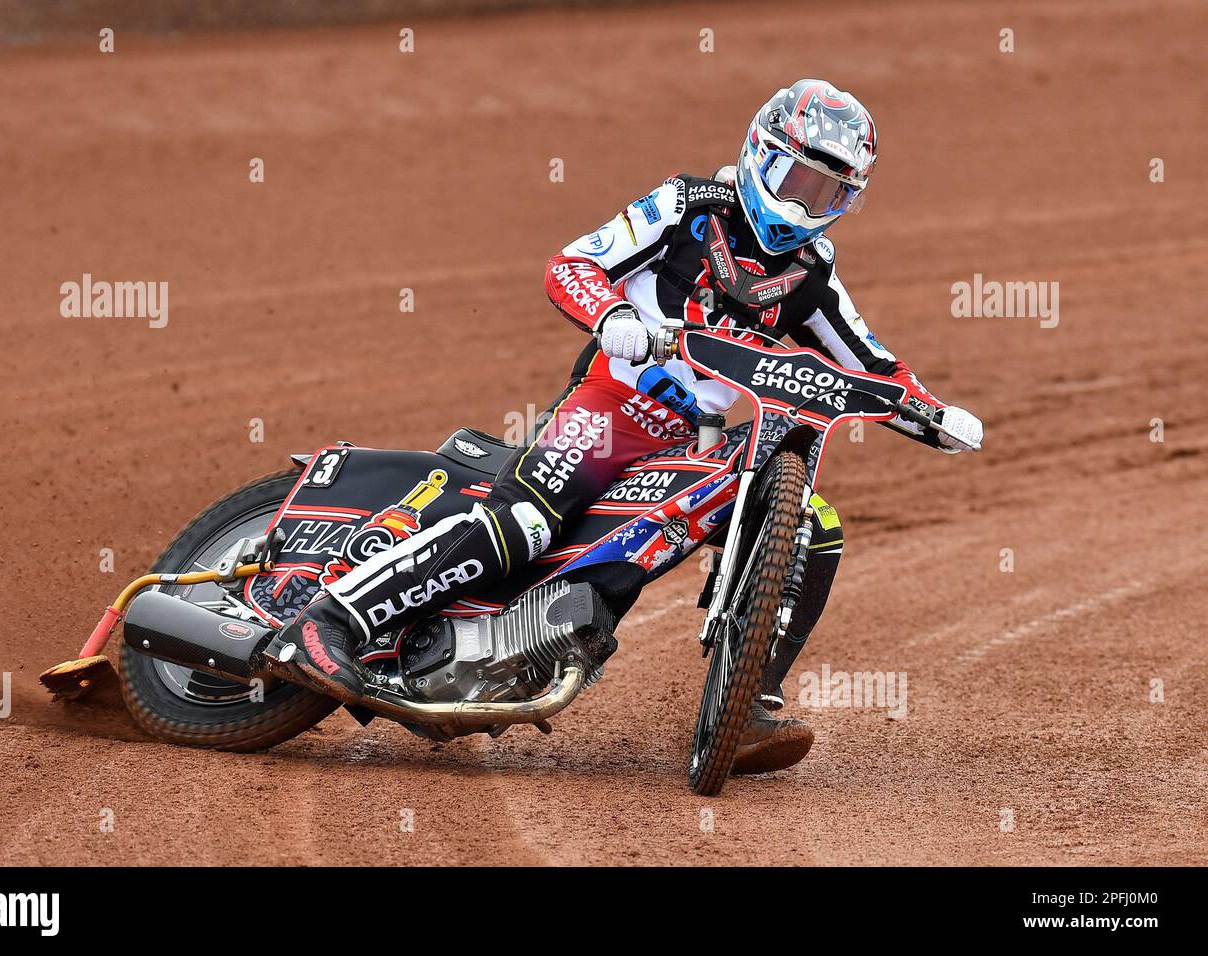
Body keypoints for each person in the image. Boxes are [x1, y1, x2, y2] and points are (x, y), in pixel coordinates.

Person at [273, 79, 984, 773]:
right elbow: (572, 263)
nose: (808, 203)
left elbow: (874, 365)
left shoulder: (812, 273)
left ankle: (751, 700)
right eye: (799, 179)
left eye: (830, 193)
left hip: (691, 443)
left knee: (809, 524)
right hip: (612, 405)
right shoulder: (687, 205)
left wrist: (934, 413)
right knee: (525, 521)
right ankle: (332, 619)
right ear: (762, 155)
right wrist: (614, 319)